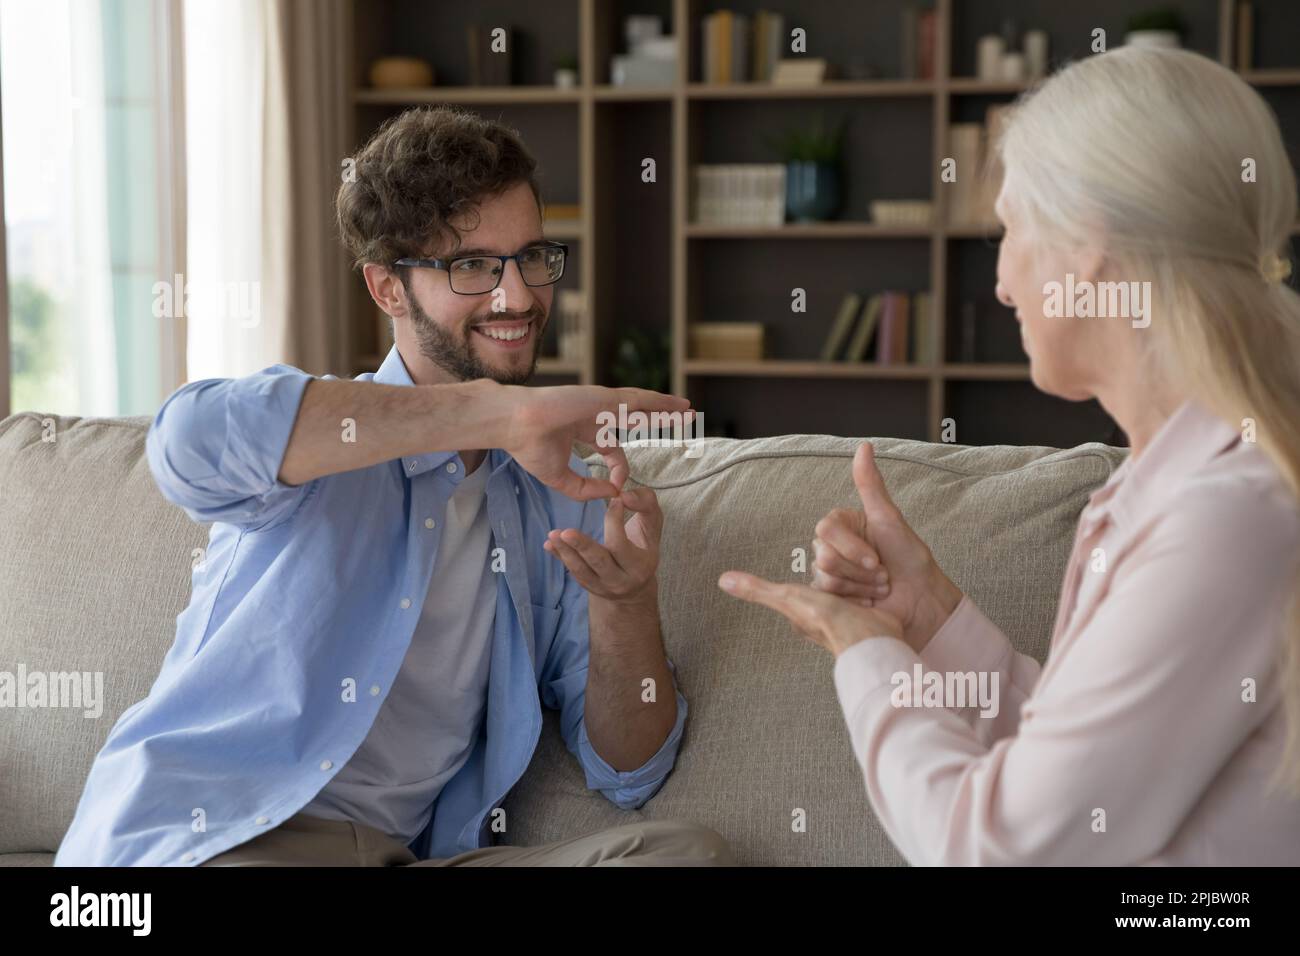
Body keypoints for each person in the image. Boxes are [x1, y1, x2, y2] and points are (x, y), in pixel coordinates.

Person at [55, 106, 731, 867]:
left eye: (531, 257)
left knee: (685, 857)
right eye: (472, 266)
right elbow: (184, 442)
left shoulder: (559, 492)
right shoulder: (324, 439)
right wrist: (494, 413)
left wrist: (625, 604)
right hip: (214, 839)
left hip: (400, 856)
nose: (519, 297)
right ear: (386, 288)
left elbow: (630, 771)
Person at [719, 47, 1300, 865]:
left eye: (1010, 229)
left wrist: (866, 653)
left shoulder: (1226, 517)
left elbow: (996, 852)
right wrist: (927, 620)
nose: (999, 284)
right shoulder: (1183, 482)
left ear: (1089, 244)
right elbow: (1074, 777)